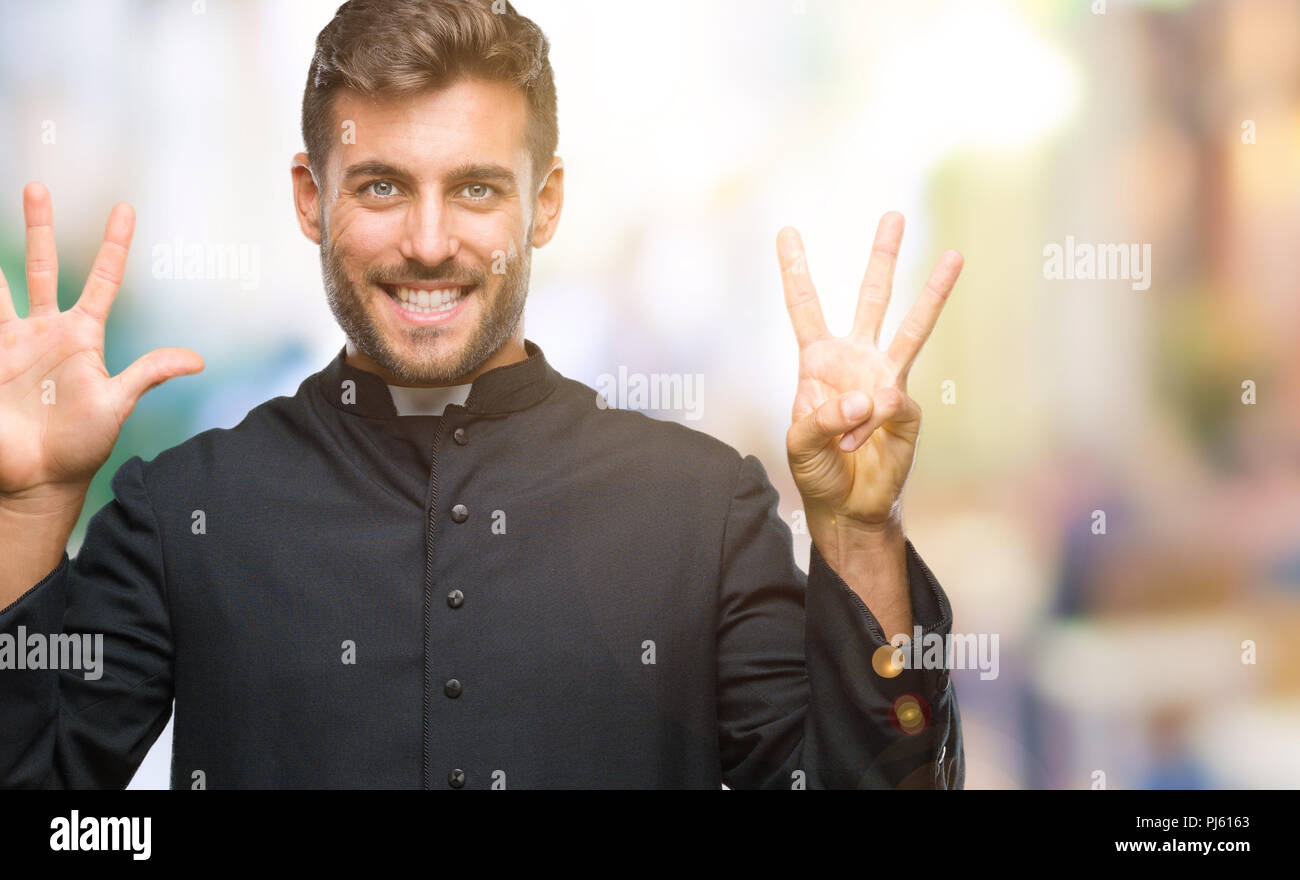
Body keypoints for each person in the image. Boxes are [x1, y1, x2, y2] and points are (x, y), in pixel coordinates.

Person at [0, 0, 965, 789]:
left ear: (544, 202)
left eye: (474, 189)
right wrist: (32, 505)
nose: (429, 241)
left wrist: (859, 533)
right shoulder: (187, 512)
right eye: (380, 187)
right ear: (310, 198)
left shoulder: (702, 510)